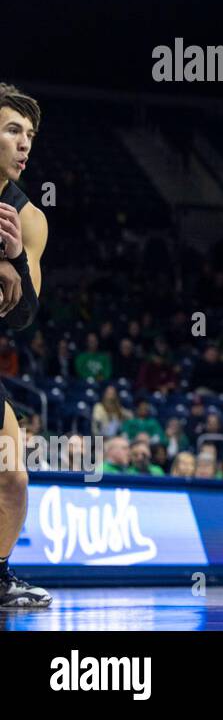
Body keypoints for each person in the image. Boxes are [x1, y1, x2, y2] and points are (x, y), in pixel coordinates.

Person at [0, 86, 50, 608]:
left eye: (30, 135)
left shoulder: (29, 219)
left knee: (12, 475)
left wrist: (14, 259)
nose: (25, 144)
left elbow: (24, 318)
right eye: (13, 130)